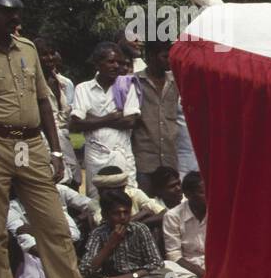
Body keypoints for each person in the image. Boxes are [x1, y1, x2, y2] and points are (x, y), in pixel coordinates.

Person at [0, 0, 123, 278]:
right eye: (7, 11)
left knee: (55, 227)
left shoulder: (27, 49)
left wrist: (56, 151)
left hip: (31, 144)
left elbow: (43, 101)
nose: (15, 17)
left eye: (17, 11)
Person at [71, 42, 141, 196]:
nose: (116, 66)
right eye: (111, 61)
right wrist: (111, 117)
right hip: (95, 156)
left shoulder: (127, 86)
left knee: (128, 198)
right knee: (97, 201)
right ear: (97, 64)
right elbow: (76, 124)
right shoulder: (83, 89)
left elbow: (130, 121)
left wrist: (92, 120)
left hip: (121, 153)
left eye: (119, 62)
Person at [79, 190, 169, 278]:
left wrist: (127, 277)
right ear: (105, 215)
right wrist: (110, 244)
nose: (122, 217)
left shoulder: (140, 229)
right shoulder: (98, 233)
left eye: (126, 212)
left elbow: (156, 263)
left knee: (167, 275)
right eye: (116, 213)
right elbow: (86, 269)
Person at [132, 38, 183, 194]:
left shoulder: (176, 81)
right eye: (165, 56)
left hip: (170, 157)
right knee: (147, 205)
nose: (169, 60)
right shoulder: (134, 82)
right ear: (151, 56)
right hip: (144, 159)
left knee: (171, 203)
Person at [35, 40, 82, 185]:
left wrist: (79, 147)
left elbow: (73, 120)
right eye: (44, 54)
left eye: (52, 53)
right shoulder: (32, 85)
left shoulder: (65, 83)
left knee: (75, 181)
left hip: (67, 142)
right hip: (44, 142)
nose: (49, 58)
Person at [162, 170, 206, 278]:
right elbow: (174, 255)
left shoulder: (218, 211)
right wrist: (201, 273)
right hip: (188, 267)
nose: (209, 195)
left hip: (213, 265)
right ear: (188, 194)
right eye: (202, 192)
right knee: (167, 270)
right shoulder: (173, 216)